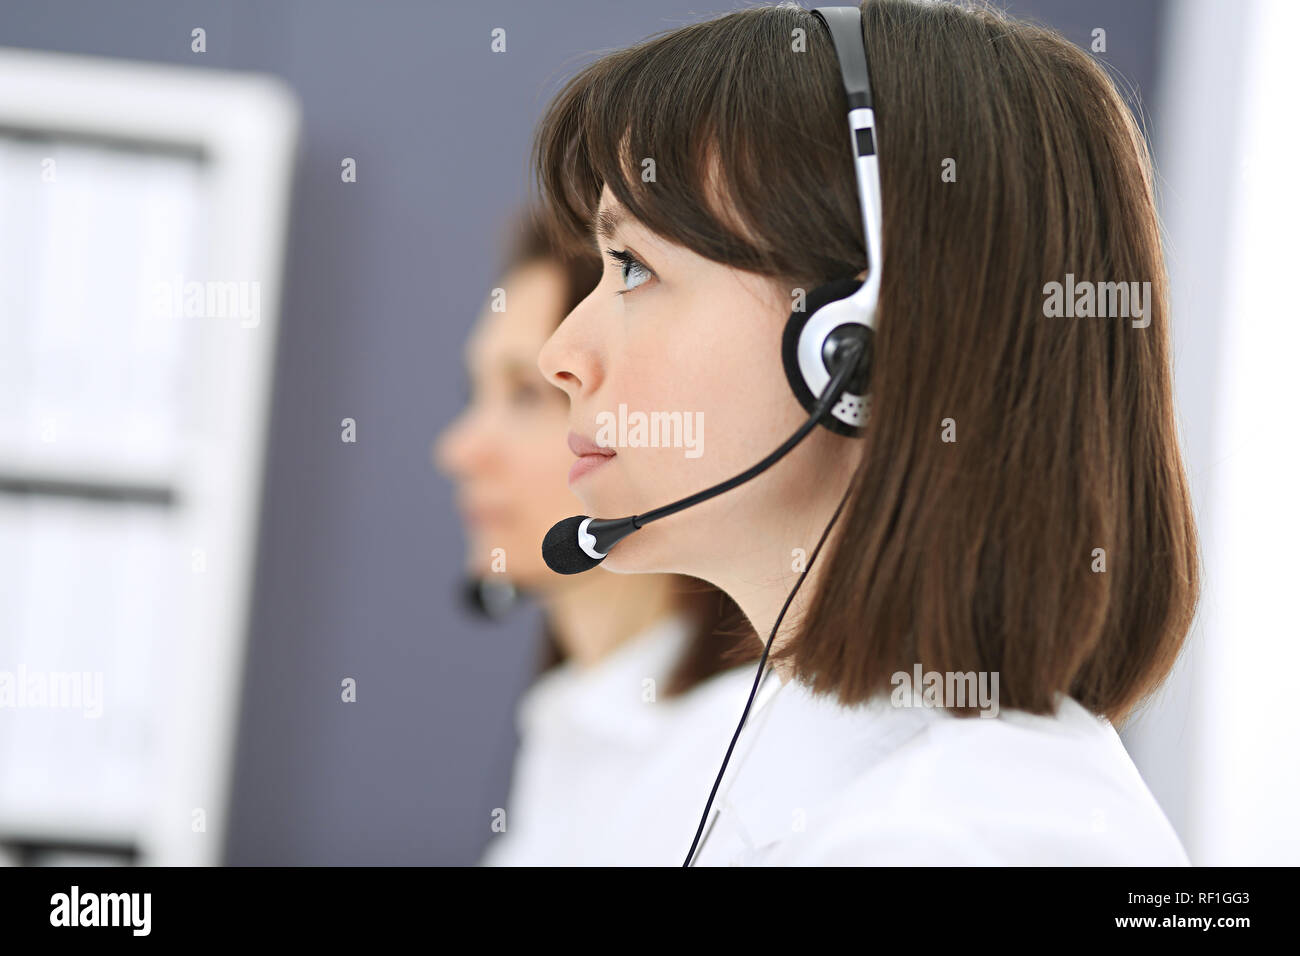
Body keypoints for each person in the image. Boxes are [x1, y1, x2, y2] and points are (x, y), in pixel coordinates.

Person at [530, 0, 1199, 864]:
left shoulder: (970, 839)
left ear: (855, 348)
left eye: (635, 268)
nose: (561, 355)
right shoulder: (795, 779)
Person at [434, 208, 760, 865]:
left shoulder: (734, 765)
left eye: (526, 396)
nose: (459, 450)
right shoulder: (574, 722)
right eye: (476, 393)